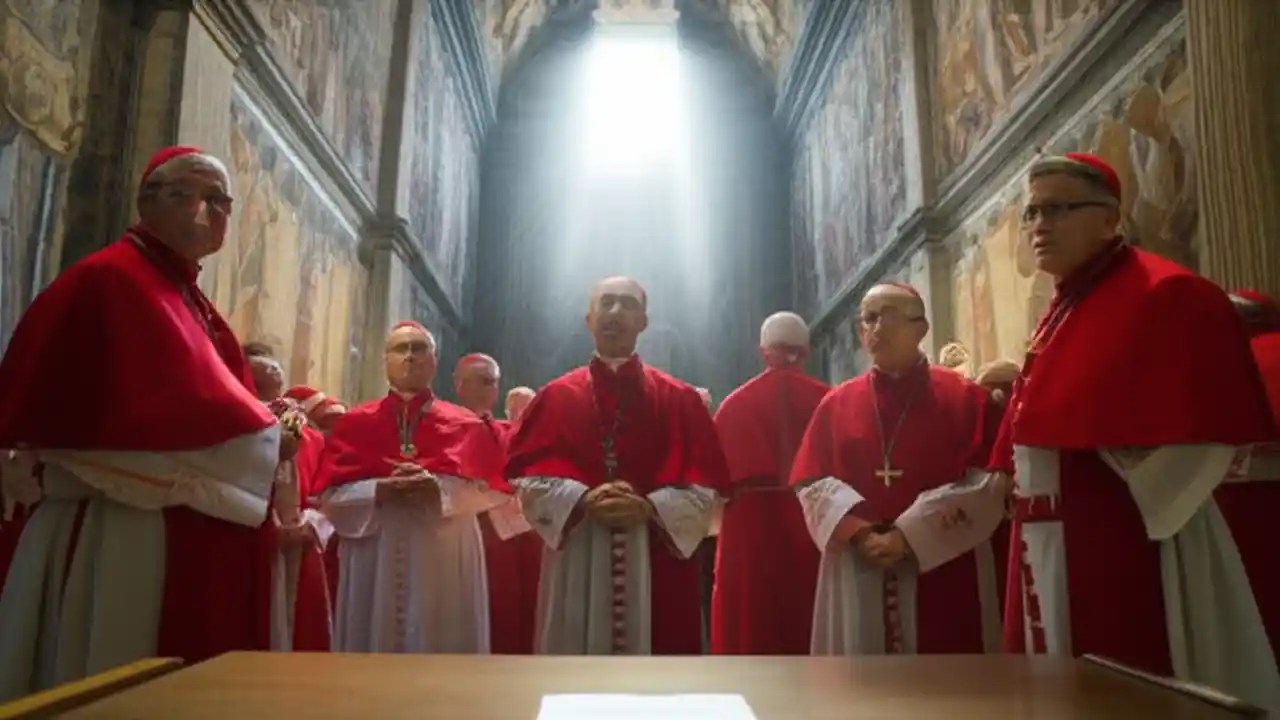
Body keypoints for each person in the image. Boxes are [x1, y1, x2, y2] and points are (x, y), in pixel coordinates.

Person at [994, 152, 1278, 712]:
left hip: (1117, 534)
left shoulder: (1166, 294)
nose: (1038, 227)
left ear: (1108, 218)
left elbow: (1198, 441)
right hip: (1043, 537)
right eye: (1031, 214)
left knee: (1119, 682)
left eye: (1056, 209)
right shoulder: (1065, 307)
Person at [0, 146, 282, 699]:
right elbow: (152, 424)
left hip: (156, 522)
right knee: (111, 678)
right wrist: (269, 444)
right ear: (145, 201)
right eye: (185, 196)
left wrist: (266, 440)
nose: (205, 213)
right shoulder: (110, 281)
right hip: (114, 525)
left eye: (219, 202)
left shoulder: (185, 294)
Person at [505, 276, 730, 654]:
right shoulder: (556, 397)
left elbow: (707, 491)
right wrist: (582, 499)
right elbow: (526, 480)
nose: (615, 313)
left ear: (644, 320)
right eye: (605, 303)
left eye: (627, 304)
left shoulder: (680, 400)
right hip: (579, 553)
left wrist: (650, 507)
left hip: (657, 555)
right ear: (588, 319)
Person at [791, 283, 1006, 655]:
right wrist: (860, 532)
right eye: (868, 319)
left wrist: (910, 533)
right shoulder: (836, 405)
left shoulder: (966, 398)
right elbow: (811, 482)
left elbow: (988, 484)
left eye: (886, 316)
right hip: (861, 564)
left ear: (920, 327)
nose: (875, 329)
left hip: (946, 567)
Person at [314, 321, 511, 653]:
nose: (409, 357)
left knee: (443, 636)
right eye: (399, 349)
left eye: (419, 349)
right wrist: (378, 490)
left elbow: (493, 489)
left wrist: (440, 492)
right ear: (385, 361)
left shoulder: (467, 424)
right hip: (376, 545)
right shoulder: (354, 423)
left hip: (443, 545)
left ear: (434, 361)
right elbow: (330, 497)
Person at [710, 311, 827, 655]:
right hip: (814, 521)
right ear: (806, 351)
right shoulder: (830, 400)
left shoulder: (733, 405)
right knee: (809, 616)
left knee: (750, 620)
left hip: (748, 530)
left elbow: (716, 486)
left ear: (763, 351)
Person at [454, 353, 539, 654]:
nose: (489, 389)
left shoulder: (507, 433)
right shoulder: (443, 425)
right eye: (482, 381)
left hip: (511, 537)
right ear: (459, 385)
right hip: (464, 532)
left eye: (494, 382)